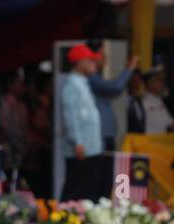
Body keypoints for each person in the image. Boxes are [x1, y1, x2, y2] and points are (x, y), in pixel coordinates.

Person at [59, 44, 108, 202]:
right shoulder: (72, 86)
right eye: (90, 61)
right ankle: (63, 220)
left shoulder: (82, 84)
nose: (94, 64)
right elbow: (71, 117)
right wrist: (78, 142)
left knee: (88, 189)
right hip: (82, 148)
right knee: (76, 188)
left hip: (91, 147)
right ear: (80, 62)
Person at [89, 50, 138, 152]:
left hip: (105, 132)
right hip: (100, 133)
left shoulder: (97, 77)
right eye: (102, 56)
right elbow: (115, 87)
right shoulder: (91, 77)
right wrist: (129, 68)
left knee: (107, 164)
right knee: (103, 165)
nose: (105, 60)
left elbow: (115, 92)